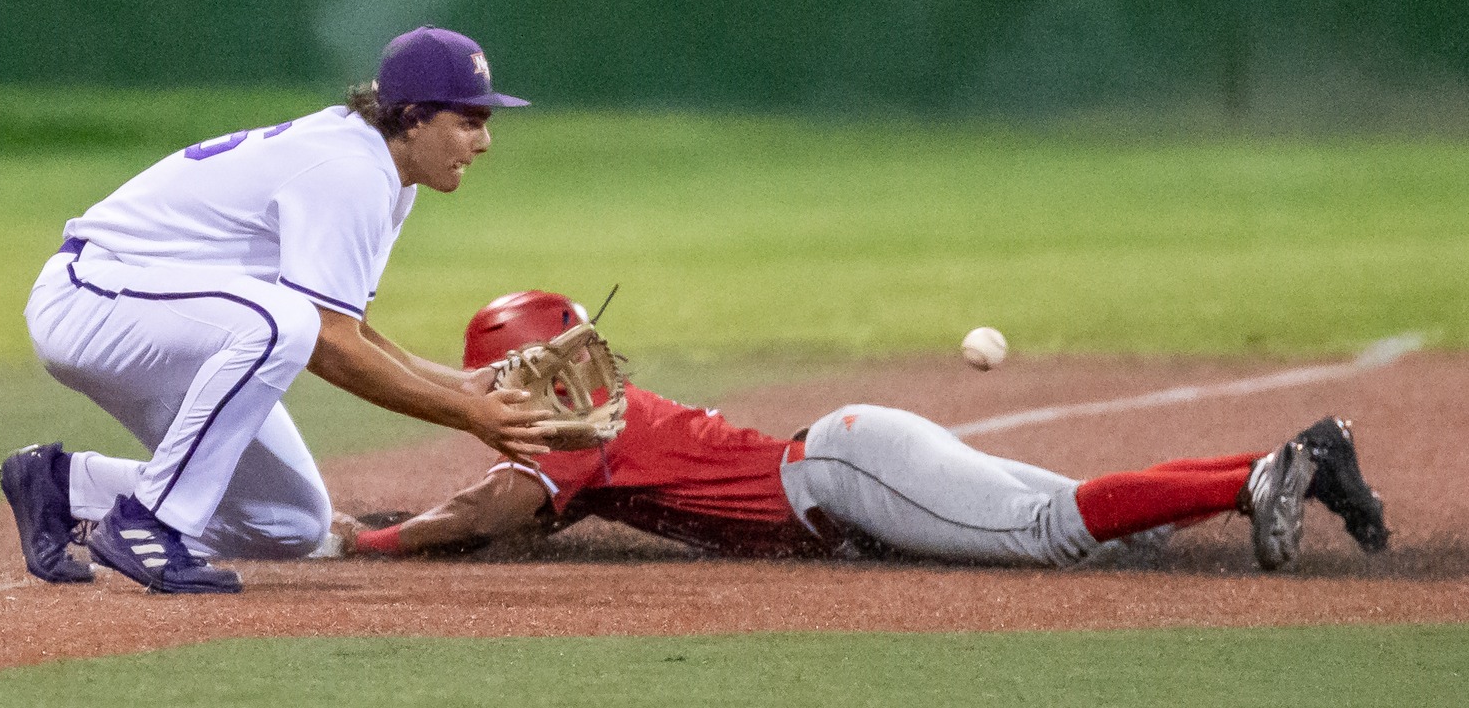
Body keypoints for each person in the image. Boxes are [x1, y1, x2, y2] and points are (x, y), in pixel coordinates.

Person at [0, 27, 554, 594]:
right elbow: (327, 343)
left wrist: (466, 386)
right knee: (285, 323)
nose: (483, 141)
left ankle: (62, 486)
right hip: (92, 298)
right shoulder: (350, 170)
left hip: (179, 325)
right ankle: (151, 524)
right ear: (412, 116)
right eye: (469, 122)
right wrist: (466, 415)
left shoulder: (386, 172)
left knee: (289, 522)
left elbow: (348, 330)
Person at [334, 290, 1390, 572]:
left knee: (1052, 529)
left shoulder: (574, 436)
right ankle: (1294, 455)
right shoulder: (597, 430)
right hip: (850, 457)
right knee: (1101, 521)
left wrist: (370, 537)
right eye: (556, 356)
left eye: (569, 351)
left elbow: (494, 508)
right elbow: (513, 519)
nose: (580, 367)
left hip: (844, 472)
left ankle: (1264, 475)